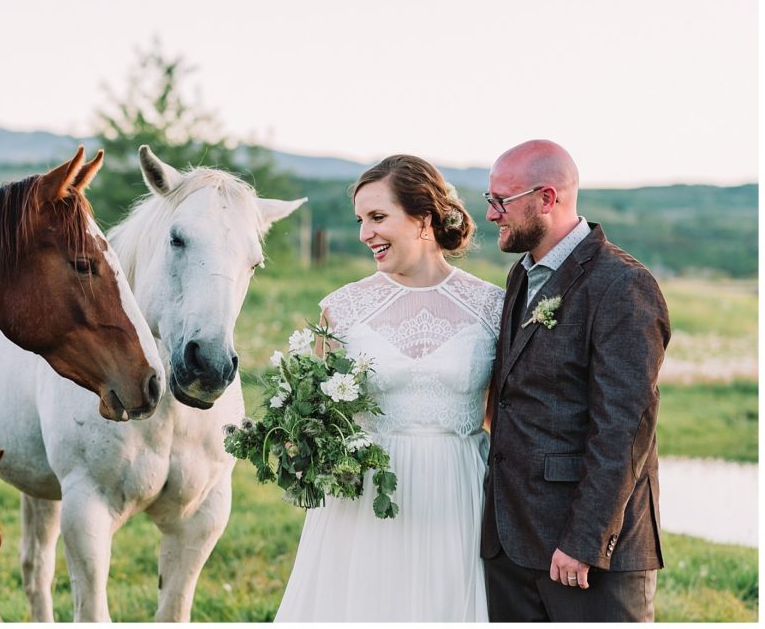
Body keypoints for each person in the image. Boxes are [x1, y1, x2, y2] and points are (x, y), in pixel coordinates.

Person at [275, 154, 503, 622]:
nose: (365, 234)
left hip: (456, 493)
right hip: (364, 498)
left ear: (423, 218)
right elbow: (318, 416)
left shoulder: (491, 307)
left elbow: (502, 419)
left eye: (378, 217)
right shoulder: (342, 309)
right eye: (360, 220)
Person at [480, 139, 670, 622]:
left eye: (501, 201)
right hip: (511, 543)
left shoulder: (622, 284)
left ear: (546, 198)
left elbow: (625, 429)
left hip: (585, 555)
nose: (491, 215)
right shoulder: (521, 276)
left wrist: (584, 541)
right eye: (489, 200)